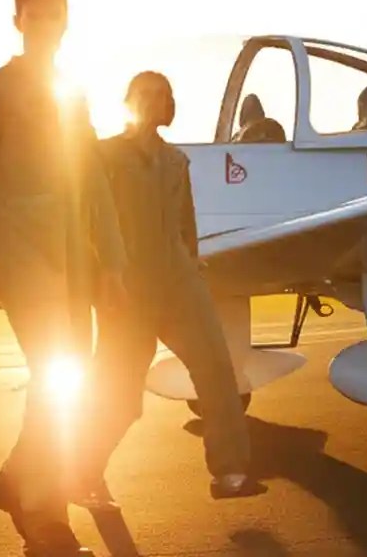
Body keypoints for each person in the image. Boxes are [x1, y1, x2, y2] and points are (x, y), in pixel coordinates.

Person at [0, 0, 128, 557]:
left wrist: (113, 263)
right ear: (17, 21)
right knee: (54, 375)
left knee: (73, 381)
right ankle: (44, 520)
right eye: (37, 15)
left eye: (57, 15)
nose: (48, 25)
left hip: (76, 259)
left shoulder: (72, 93)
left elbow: (94, 181)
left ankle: (16, 480)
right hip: (22, 256)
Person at [79, 70, 260, 508]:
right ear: (129, 100)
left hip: (180, 282)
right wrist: (99, 281)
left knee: (217, 367)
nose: (156, 102)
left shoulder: (178, 161)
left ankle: (230, 472)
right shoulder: (101, 157)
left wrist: (193, 271)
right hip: (128, 287)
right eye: (146, 94)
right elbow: (85, 224)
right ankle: (83, 474)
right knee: (120, 396)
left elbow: (187, 226)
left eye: (163, 96)